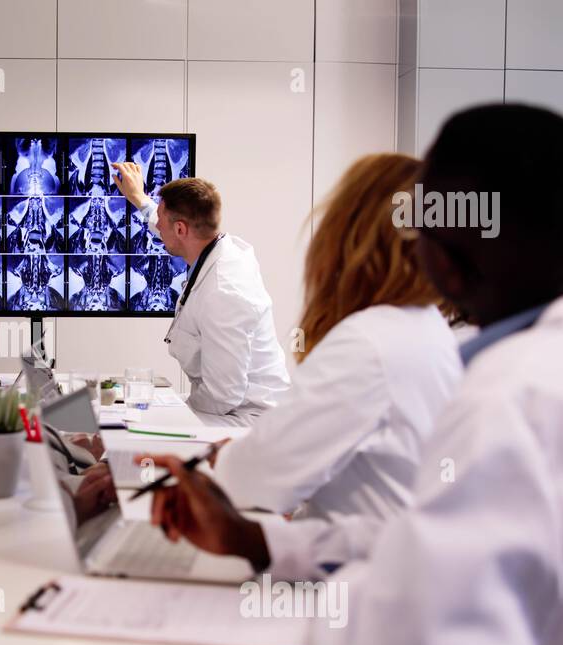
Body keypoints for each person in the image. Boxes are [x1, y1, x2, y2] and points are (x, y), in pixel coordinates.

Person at [145, 104, 563, 645]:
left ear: (444, 250)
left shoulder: (516, 399)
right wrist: (261, 542)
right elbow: (416, 539)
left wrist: (303, 596)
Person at [144, 153, 461, 580]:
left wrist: (220, 458)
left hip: (364, 596)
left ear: (349, 240)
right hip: (383, 573)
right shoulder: (426, 328)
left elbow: (256, 477)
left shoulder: (369, 343)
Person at [112, 163, 290, 425]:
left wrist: (169, 412)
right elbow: (167, 226)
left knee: (141, 428)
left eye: (160, 217)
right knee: (142, 413)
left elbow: (223, 396)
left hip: (247, 417)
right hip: (229, 405)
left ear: (181, 229)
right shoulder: (216, 248)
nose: (157, 225)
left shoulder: (224, 293)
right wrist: (139, 199)